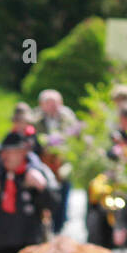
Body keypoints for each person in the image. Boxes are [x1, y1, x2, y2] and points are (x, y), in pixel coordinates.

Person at [0, 130, 56, 253]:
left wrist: (42, 188)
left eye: (10, 152)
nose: (4, 156)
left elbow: (53, 205)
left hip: (28, 243)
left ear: (22, 153)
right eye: (3, 152)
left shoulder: (35, 172)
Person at [35, 89, 78, 228]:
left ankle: (60, 222)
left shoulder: (67, 117)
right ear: (42, 104)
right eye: (49, 103)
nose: (53, 106)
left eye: (56, 103)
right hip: (44, 161)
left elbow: (74, 136)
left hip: (62, 161)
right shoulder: (36, 119)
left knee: (63, 189)